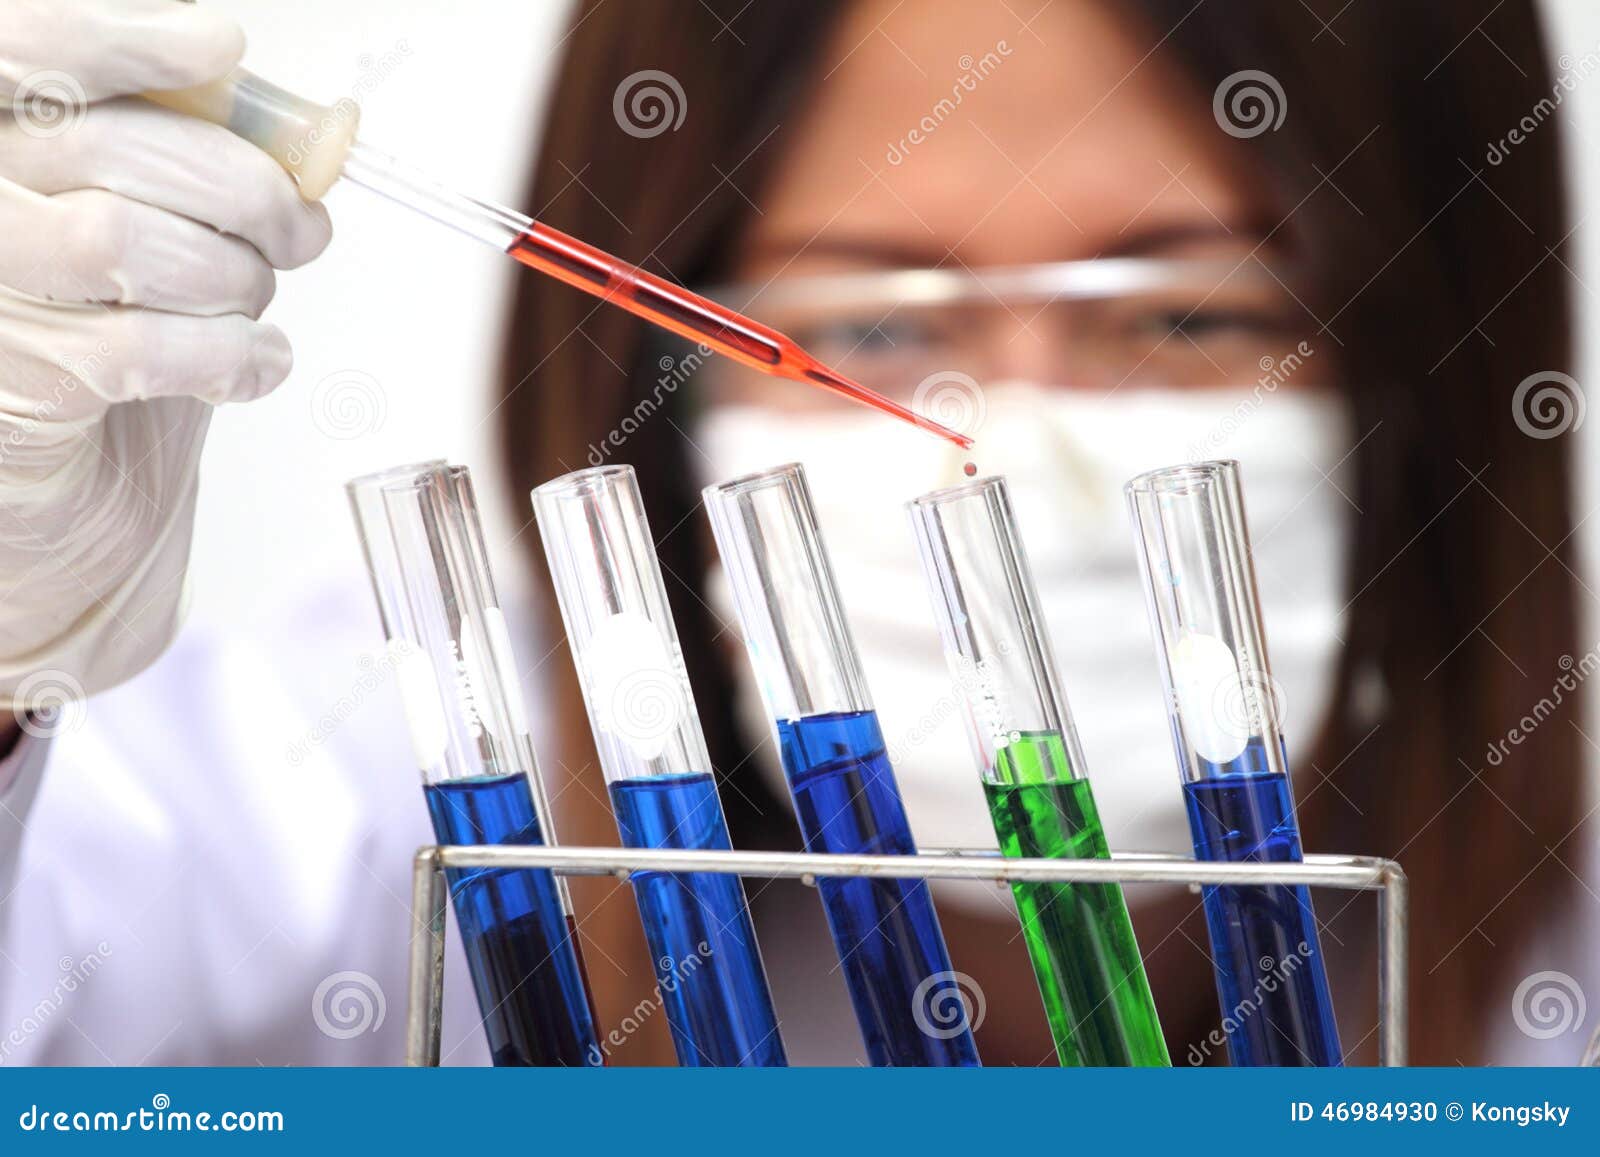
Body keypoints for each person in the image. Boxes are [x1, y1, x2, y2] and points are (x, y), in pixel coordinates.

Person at [0, 0, 1587, 1067]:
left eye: (1183, 309)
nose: (1003, 445)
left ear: (1435, 365)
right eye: (876, 325)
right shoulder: (359, 774)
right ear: (662, 376)